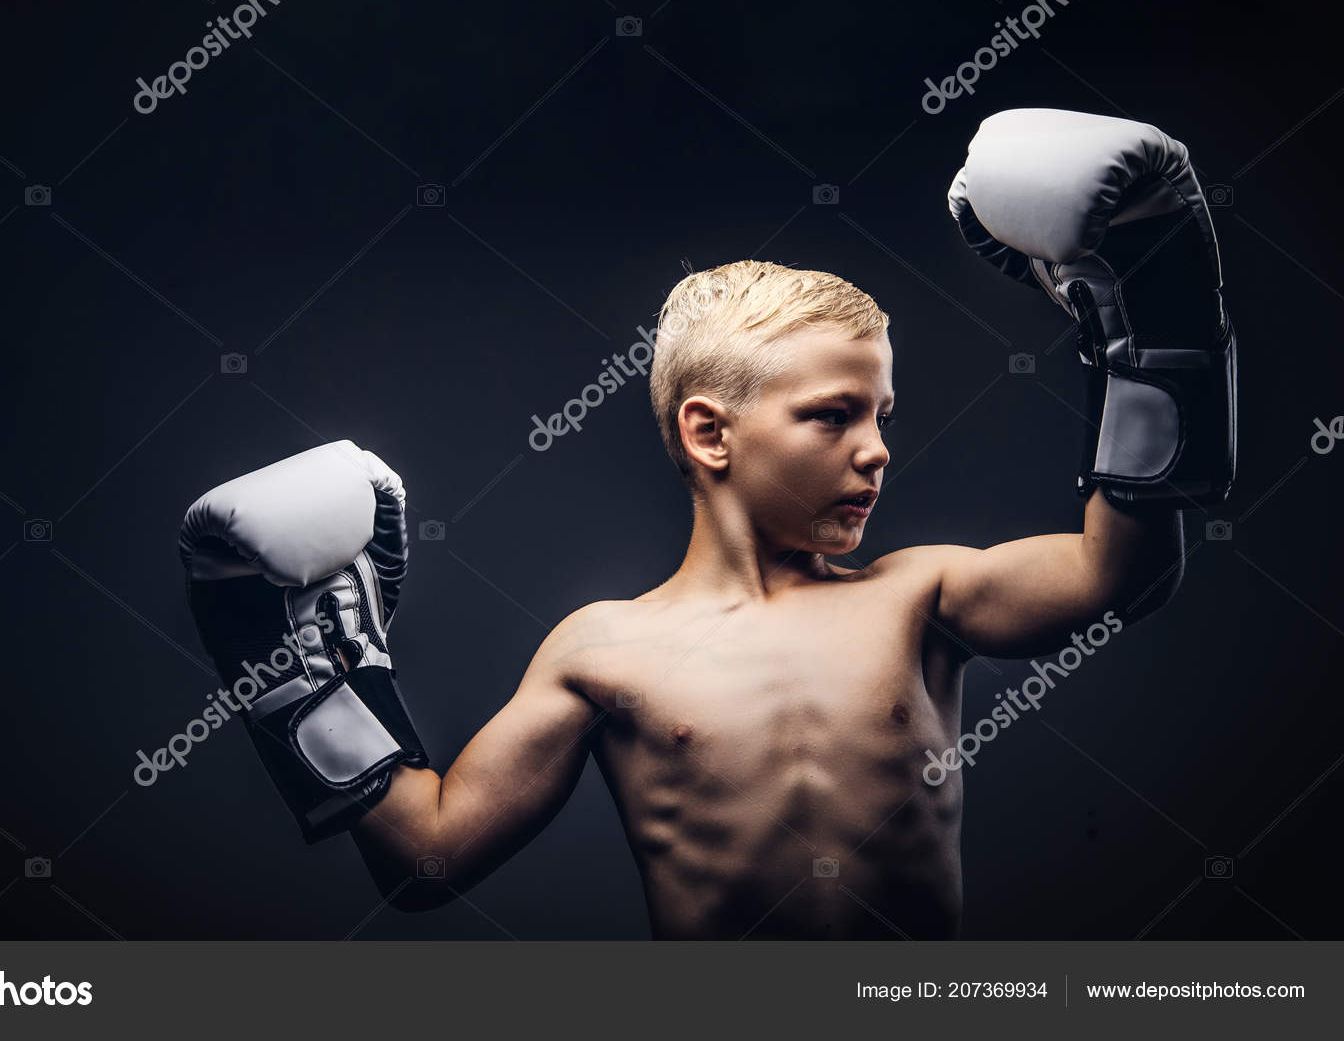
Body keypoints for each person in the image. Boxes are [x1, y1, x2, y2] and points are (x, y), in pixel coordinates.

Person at [179, 108, 1236, 938]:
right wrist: (303, 659)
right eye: (830, 416)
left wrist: (1156, 307)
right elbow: (428, 860)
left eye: (882, 416)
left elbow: (1120, 573)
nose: (875, 448)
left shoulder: (920, 594)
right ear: (709, 432)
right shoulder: (604, 647)